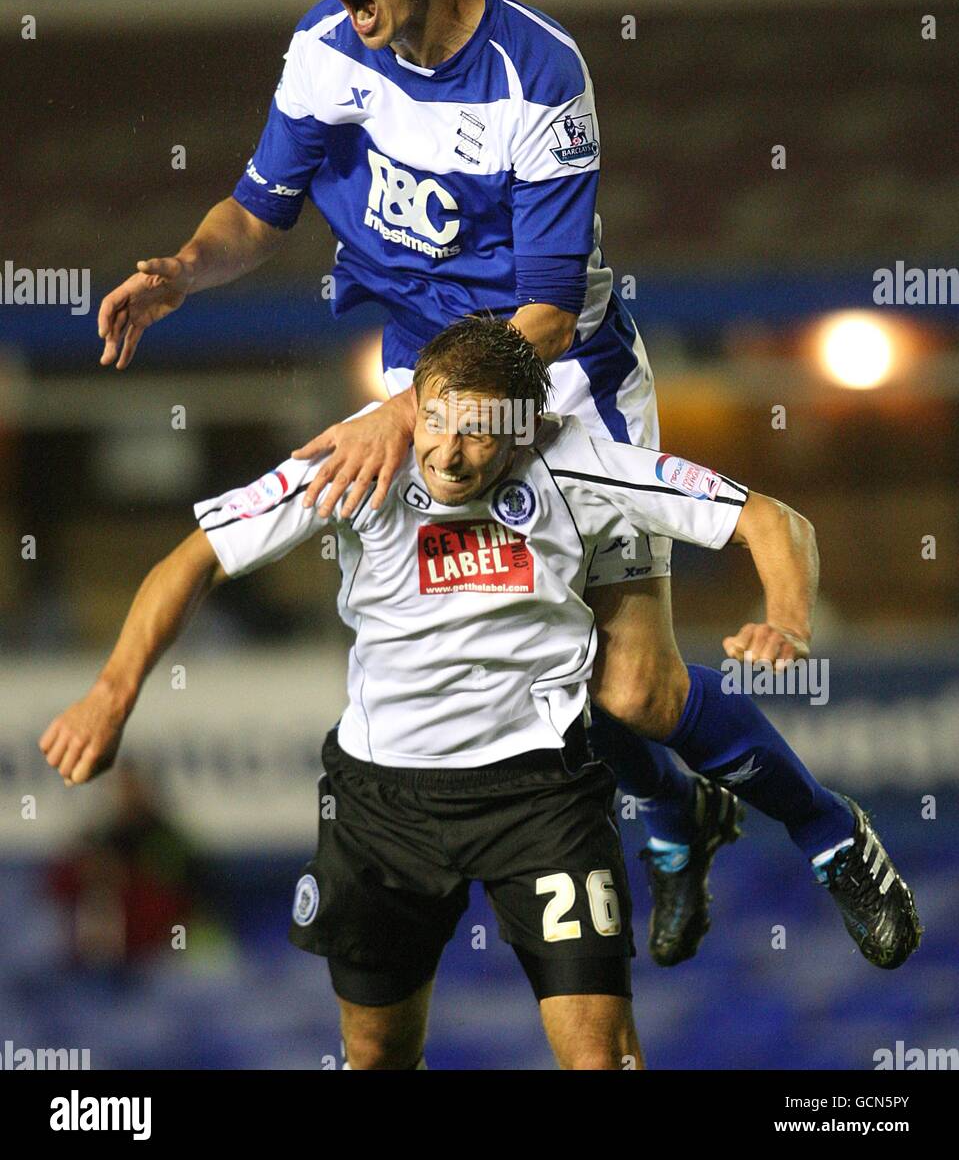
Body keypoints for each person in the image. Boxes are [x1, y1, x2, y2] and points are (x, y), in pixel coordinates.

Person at [94, 0, 904, 968]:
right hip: (418, 391)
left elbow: (545, 313)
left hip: (561, 382)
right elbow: (257, 209)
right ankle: (675, 817)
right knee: (512, 668)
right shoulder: (325, 51)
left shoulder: (537, 71)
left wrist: (417, 403)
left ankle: (824, 832)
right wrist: (181, 268)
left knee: (634, 687)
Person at [43, 319, 920, 1070]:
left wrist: (787, 623)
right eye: (436, 425)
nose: (450, 455)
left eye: (478, 433)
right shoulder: (359, 459)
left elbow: (772, 520)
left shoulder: (579, 463)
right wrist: (110, 697)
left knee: (601, 1053)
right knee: (377, 1055)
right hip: (381, 801)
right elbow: (193, 557)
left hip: (540, 795)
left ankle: (766, 825)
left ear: (527, 428)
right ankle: (679, 815)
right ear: (410, 407)